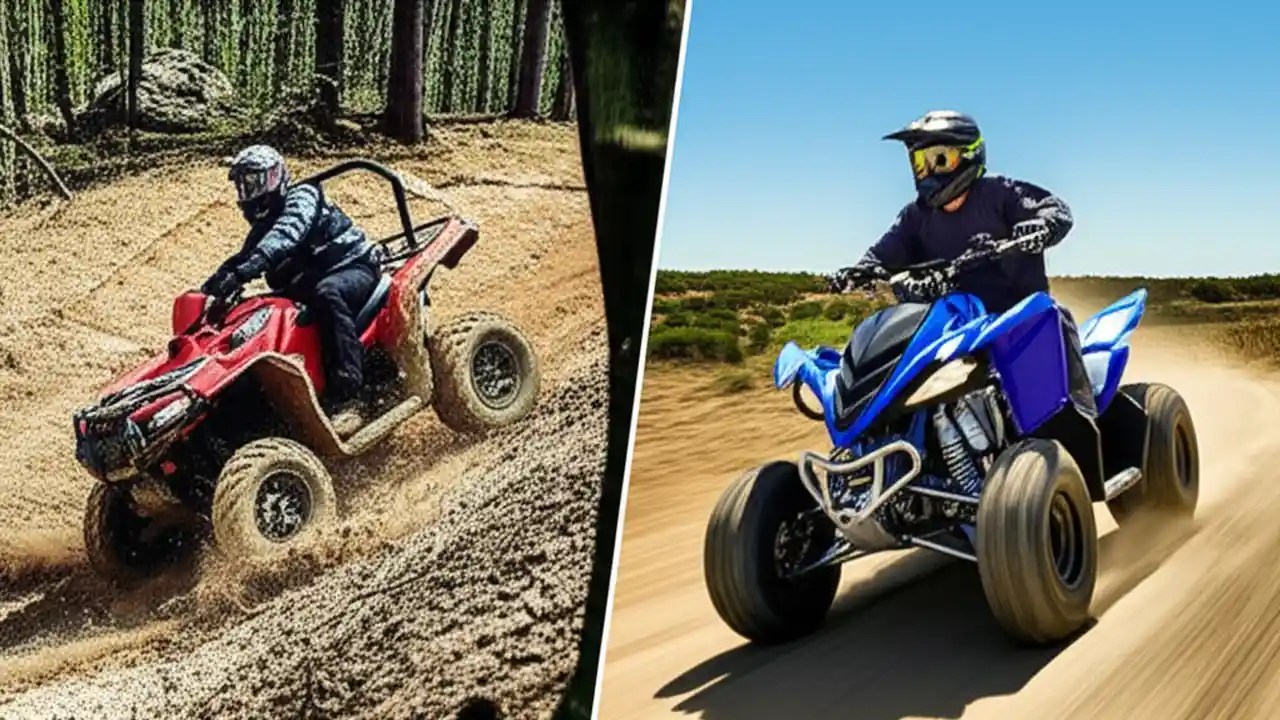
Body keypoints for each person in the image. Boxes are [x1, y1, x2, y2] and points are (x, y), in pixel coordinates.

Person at [827, 110, 1095, 415]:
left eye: (939, 159)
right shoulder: (915, 216)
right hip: (954, 331)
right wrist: (859, 271)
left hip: (1020, 319)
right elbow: (883, 253)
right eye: (920, 162)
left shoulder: (1000, 193)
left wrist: (1043, 226)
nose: (927, 172)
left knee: (1056, 317)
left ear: (969, 155)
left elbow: (1053, 208)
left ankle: (1085, 416)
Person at [201, 145, 383, 436]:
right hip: (310, 285)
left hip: (354, 267)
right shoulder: (263, 228)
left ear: (274, 178)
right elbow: (245, 257)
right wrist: (212, 288)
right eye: (242, 185)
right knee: (262, 317)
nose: (248, 192)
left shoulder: (302, 196)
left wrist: (243, 272)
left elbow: (285, 235)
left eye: (254, 182)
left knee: (327, 294)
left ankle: (350, 397)